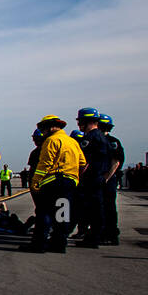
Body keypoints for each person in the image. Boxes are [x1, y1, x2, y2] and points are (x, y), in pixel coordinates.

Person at [24, 115, 85, 253]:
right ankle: (59, 244)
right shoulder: (72, 142)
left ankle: (38, 244)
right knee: (62, 215)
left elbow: (45, 164)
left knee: (43, 213)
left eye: (43, 129)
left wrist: (35, 181)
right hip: (69, 183)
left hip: (53, 182)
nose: (43, 132)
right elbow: (82, 163)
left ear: (50, 127)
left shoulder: (51, 141)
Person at [74, 108, 111, 248]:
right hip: (98, 178)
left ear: (86, 121)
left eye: (80, 122)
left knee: (92, 210)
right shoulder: (102, 137)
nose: (79, 125)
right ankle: (94, 236)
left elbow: (84, 162)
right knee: (96, 209)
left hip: (91, 179)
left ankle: (93, 238)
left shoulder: (91, 138)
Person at [99, 114, 124, 245]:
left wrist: (106, 178)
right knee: (104, 207)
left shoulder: (109, 142)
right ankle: (104, 232)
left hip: (106, 179)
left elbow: (116, 162)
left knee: (106, 207)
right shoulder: (112, 141)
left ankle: (109, 233)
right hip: (106, 178)